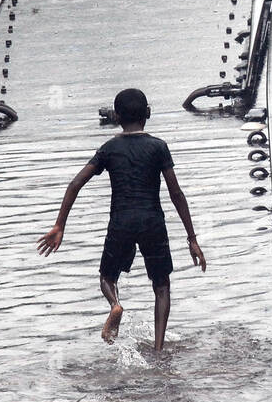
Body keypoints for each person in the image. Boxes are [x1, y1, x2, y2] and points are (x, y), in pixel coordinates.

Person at [37, 88, 206, 348]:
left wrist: (60, 225)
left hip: (121, 223)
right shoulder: (159, 147)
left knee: (107, 277)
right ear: (148, 114)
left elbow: (75, 184)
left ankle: (115, 305)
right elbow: (176, 194)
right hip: (153, 223)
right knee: (161, 286)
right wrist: (192, 238)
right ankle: (159, 349)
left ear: (116, 117)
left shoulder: (108, 149)